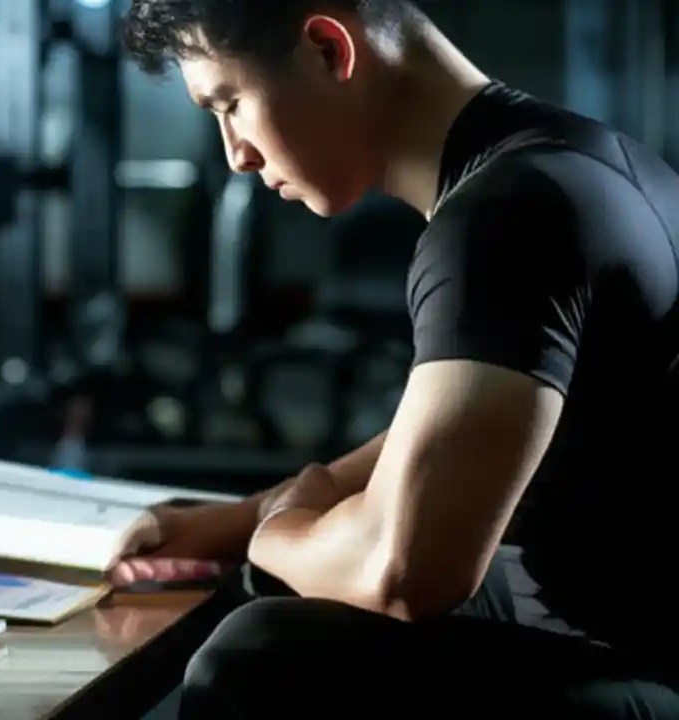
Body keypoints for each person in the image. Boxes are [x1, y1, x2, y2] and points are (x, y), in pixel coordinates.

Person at [110, 1, 679, 717]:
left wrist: (277, 533)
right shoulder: (588, 158)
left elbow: (403, 574)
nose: (236, 153)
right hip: (621, 629)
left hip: (641, 675)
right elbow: (459, 436)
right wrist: (244, 517)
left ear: (328, 48)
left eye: (231, 104)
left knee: (259, 655)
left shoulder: (504, 217)